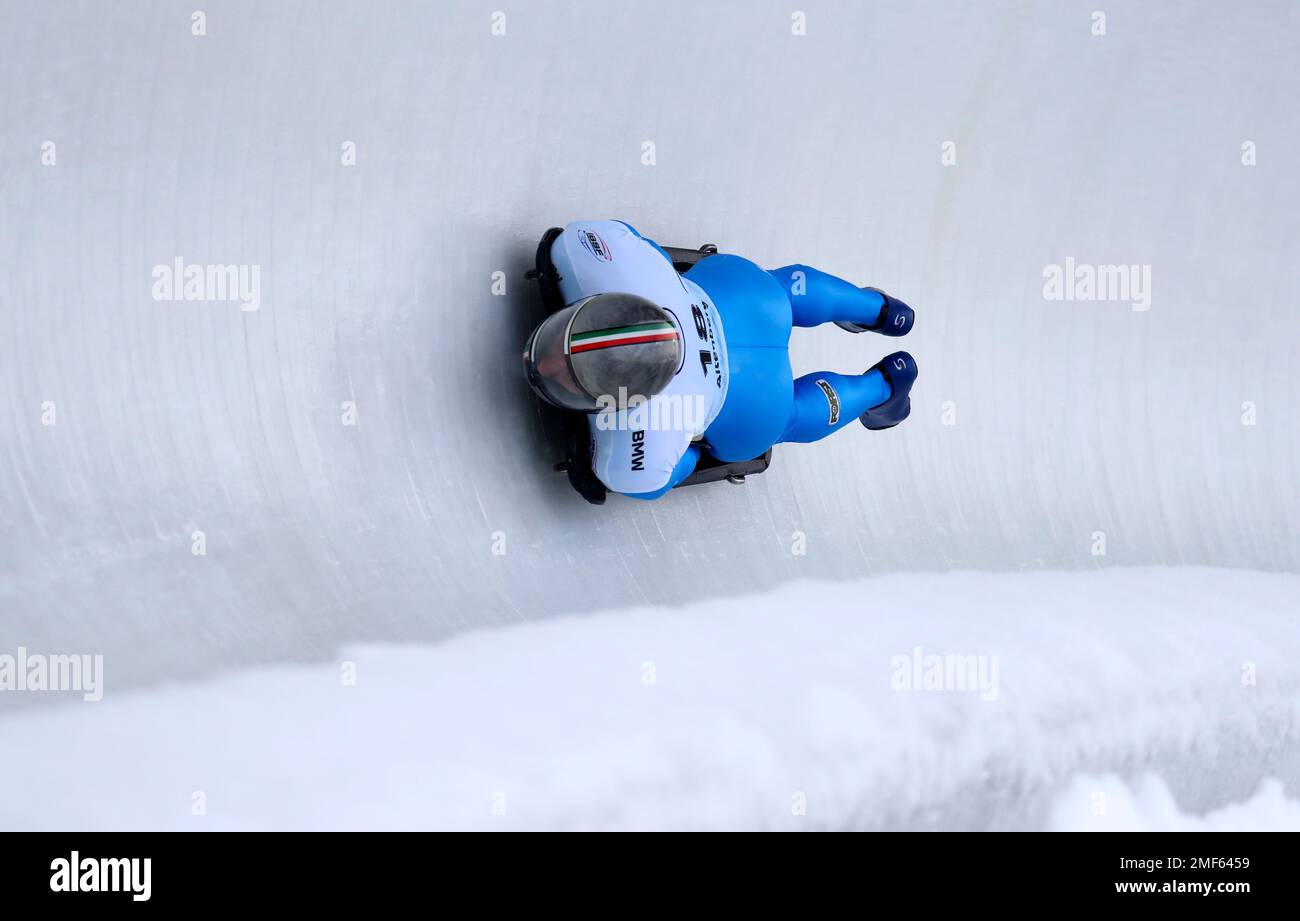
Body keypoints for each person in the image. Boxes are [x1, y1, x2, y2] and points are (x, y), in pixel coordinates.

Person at [522, 220, 917, 500]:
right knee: (779, 291)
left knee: (786, 417)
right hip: (741, 297)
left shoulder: (646, 434)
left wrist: (692, 443)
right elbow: (647, 251)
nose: (548, 366)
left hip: (750, 403)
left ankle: (880, 387)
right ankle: (879, 311)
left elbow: (676, 468)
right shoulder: (593, 252)